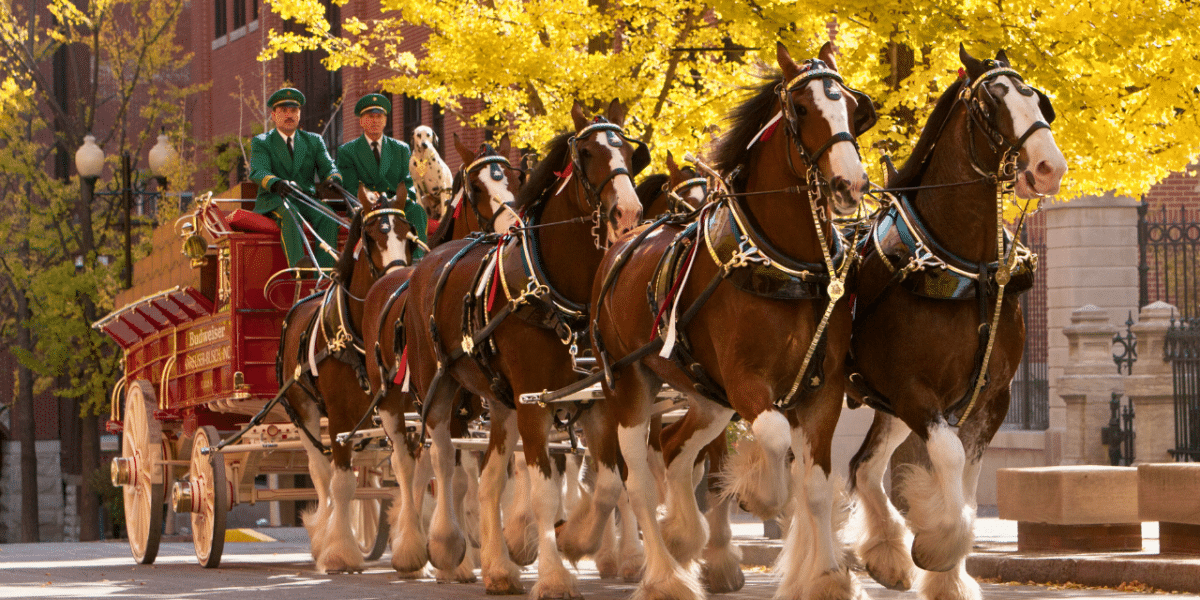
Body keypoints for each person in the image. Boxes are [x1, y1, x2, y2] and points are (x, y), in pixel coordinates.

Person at [249, 87, 344, 268]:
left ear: (299, 114)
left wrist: (333, 178)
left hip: (305, 198)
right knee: (289, 212)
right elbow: (257, 170)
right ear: (273, 116)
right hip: (274, 198)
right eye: (283, 111)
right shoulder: (262, 142)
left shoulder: (313, 141)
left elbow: (328, 165)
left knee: (328, 215)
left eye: (293, 110)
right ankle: (298, 265)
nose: (289, 115)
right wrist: (275, 183)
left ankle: (326, 273)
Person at [336, 93, 429, 256]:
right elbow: (350, 186)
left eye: (379, 116)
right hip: (366, 205)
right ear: (361, 121)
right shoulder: (348, 151)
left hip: (395, 203)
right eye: (370, 116)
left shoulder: (400, 149)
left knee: (417, 211)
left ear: (385, 121)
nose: (375, 121)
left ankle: (418, 261)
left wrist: (404, 198)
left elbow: (408, 182)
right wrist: (368, 196)